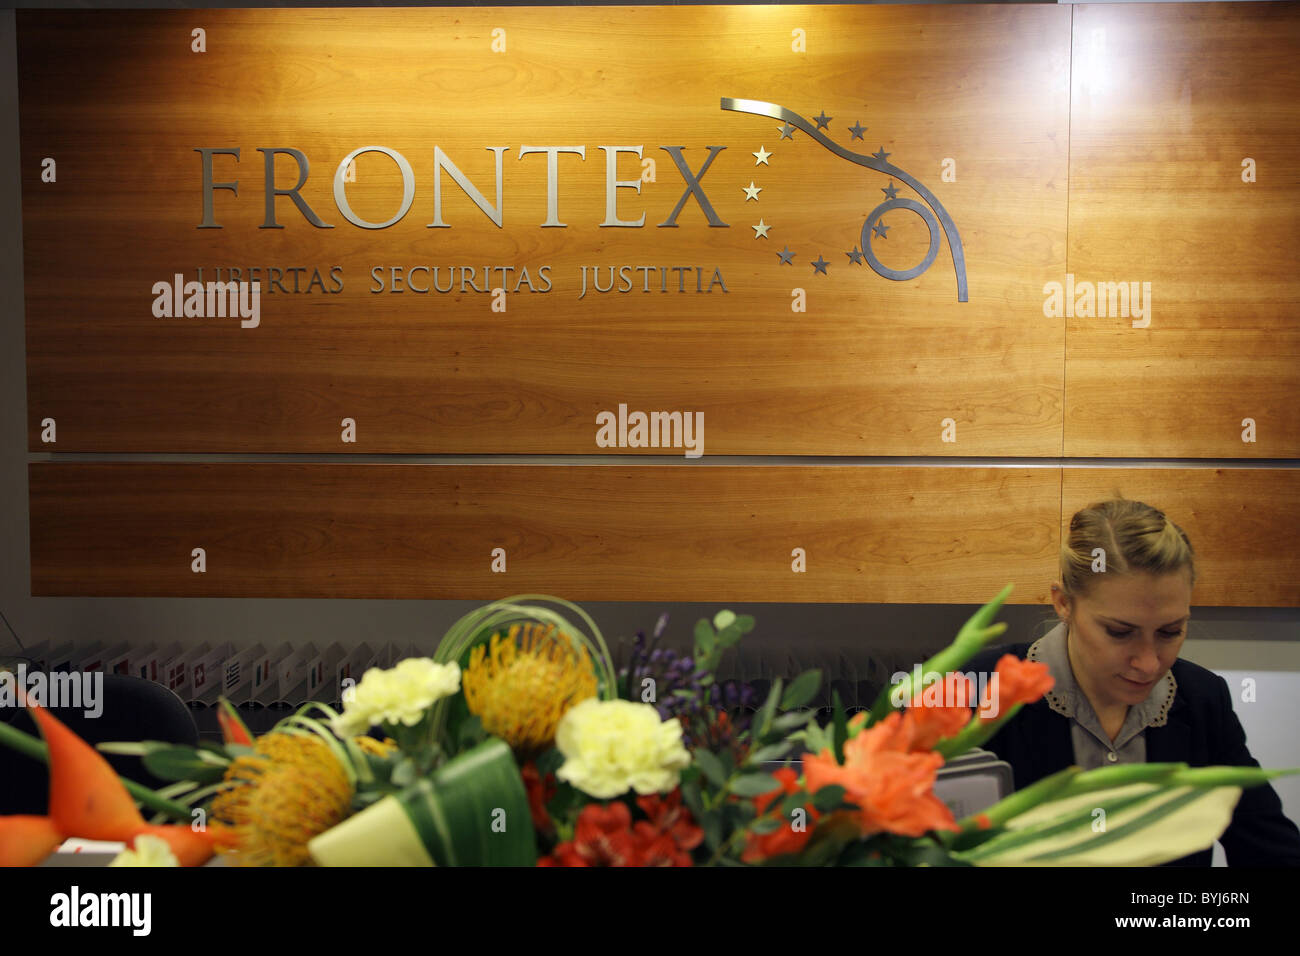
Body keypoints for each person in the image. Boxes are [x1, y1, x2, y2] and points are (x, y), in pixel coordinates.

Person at [964, 496, 1300, 866]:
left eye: (1170, 632)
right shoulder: (978, 689)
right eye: (1120, 632)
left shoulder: (1203, 698)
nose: (1148, 663)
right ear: (1063, 603)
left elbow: (1272, 851)